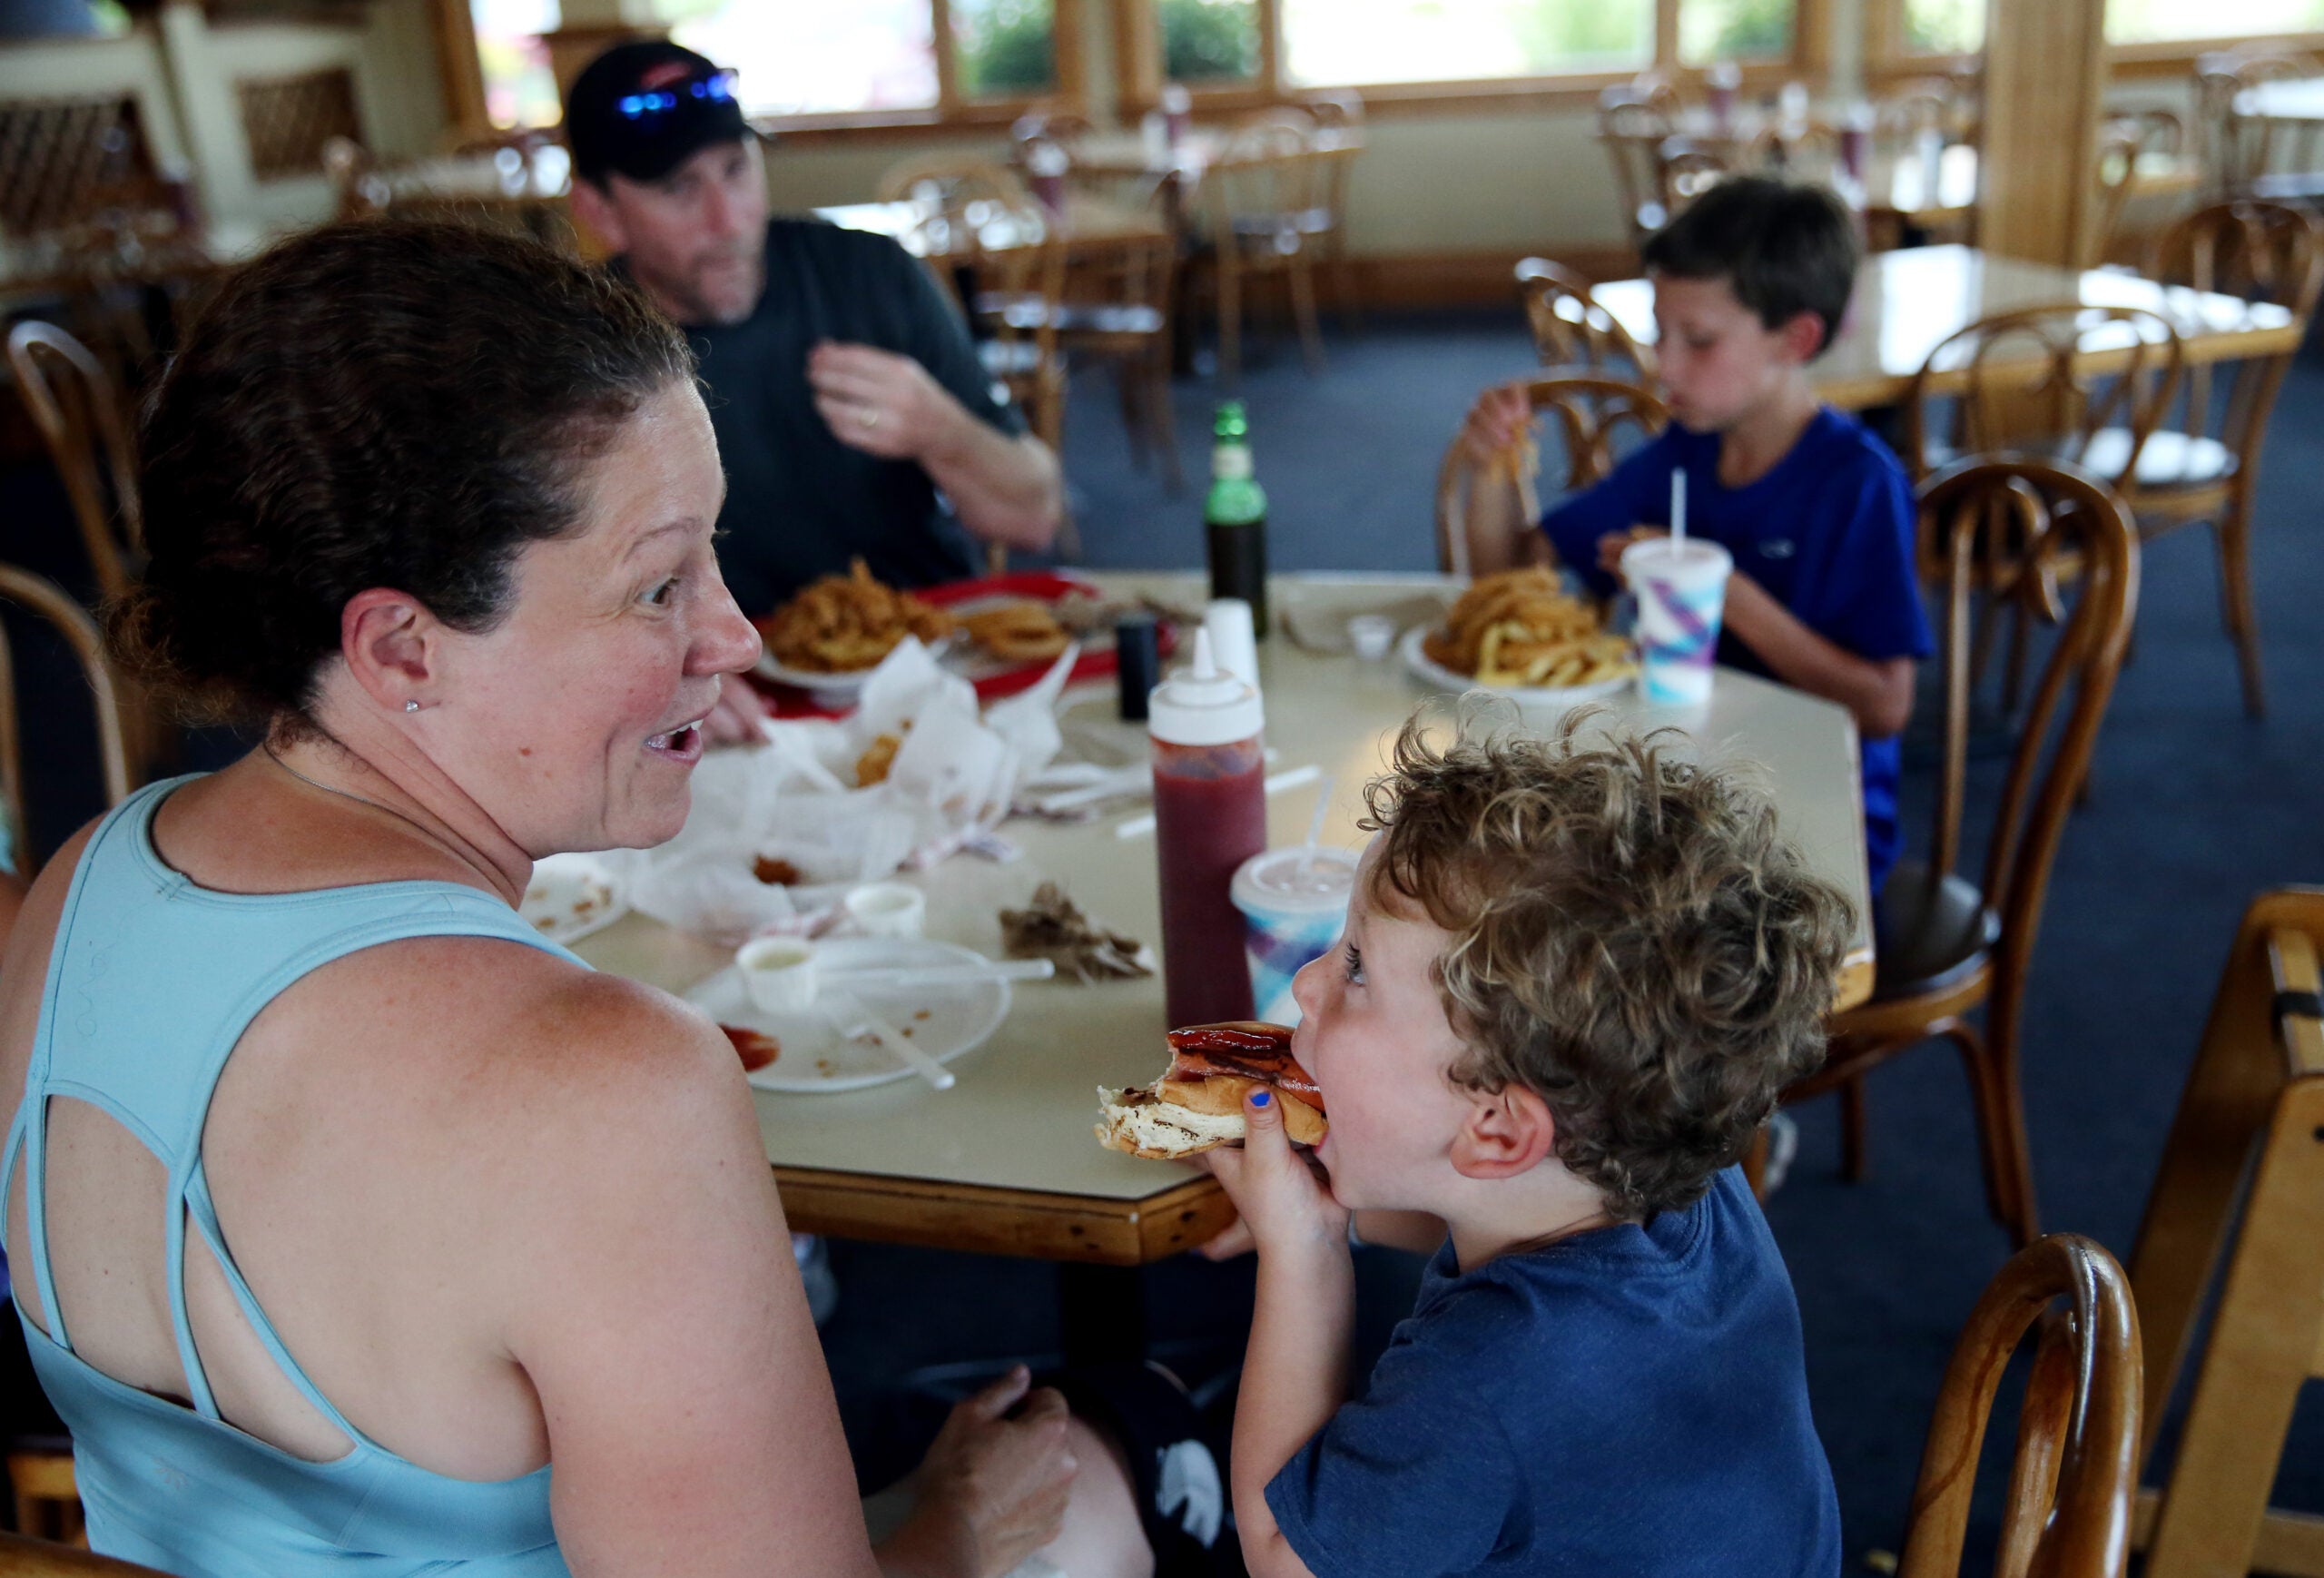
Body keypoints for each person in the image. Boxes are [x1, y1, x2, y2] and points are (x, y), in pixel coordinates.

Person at [0, 219, 1152, 1578]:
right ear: (403, 647)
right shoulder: (605, 1086)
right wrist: (957, 1526)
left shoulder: (78, 885)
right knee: (1109, 1458)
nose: (737, 633)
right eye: (661, 583)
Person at [1202, 708, 1852, 1578]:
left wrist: (1304, 1249)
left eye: (1356, 967)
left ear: (1500, 1128)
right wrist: (1334, 1203)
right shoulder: (1674, 1175)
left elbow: (1283, 1559)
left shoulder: (1484, 1380)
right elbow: (1498, 1203)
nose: (1309, 983)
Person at [1455, 177, 1934, 894]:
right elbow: (1511, 575)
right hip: (1685, 794)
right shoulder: (1683, 453)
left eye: (1699, 340)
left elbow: (1885, 706)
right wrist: (1493, 466)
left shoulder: (1857, 484)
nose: (1664, 365)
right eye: (1659, 331)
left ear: (1796, 339)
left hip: (1813, 832)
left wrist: (1723, 593)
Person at [563, 41, 1062, 623]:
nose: (728, 221)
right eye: (679, 188)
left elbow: (1033, 517)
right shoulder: (578, 350)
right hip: (726, 665)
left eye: (736, 169)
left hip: (923, 633)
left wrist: (940, 430)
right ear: (600, 212)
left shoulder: (870, 275)